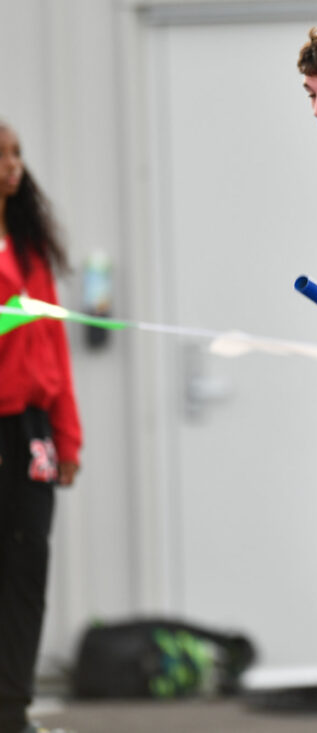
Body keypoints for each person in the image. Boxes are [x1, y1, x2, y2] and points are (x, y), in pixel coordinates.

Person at [0, 120, 82, 733]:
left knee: (27, 569)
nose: (12, 167)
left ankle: (13, 709)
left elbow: (53, 342)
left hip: (30, 431)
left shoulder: (28, 247)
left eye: (17, 155)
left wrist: (66, 434)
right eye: (0, 157)